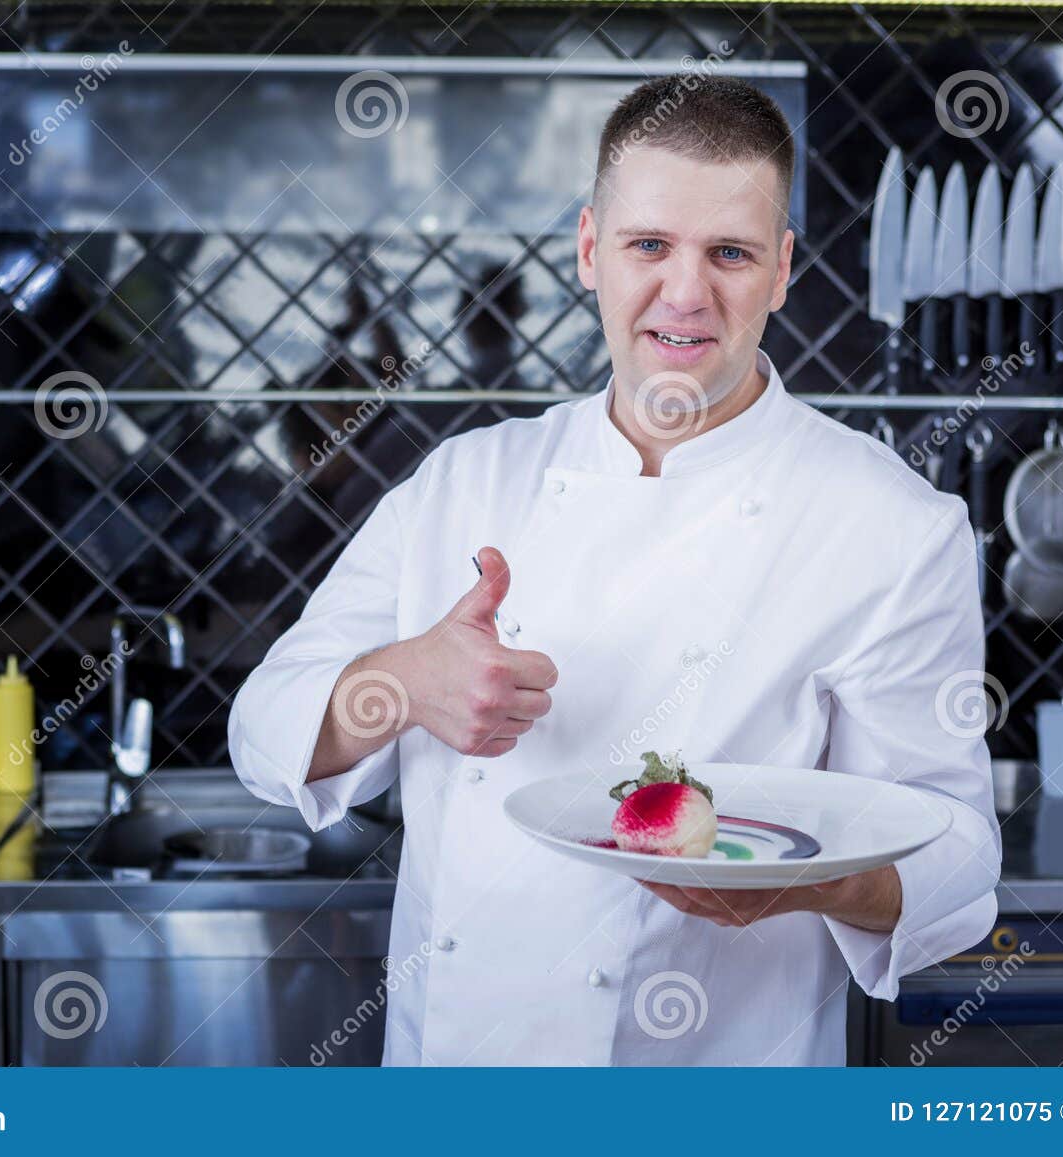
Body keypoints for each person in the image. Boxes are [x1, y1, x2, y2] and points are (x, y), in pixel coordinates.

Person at [230, 74, 1000, 1065]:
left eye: (729, 252)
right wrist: (403, 684)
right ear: (591, 250)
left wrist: (808, 882)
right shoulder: (462, 484)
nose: (685, 293)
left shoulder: (890, 525)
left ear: (780, 271)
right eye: (649, 246)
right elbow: (261, 732)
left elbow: (956, 857)